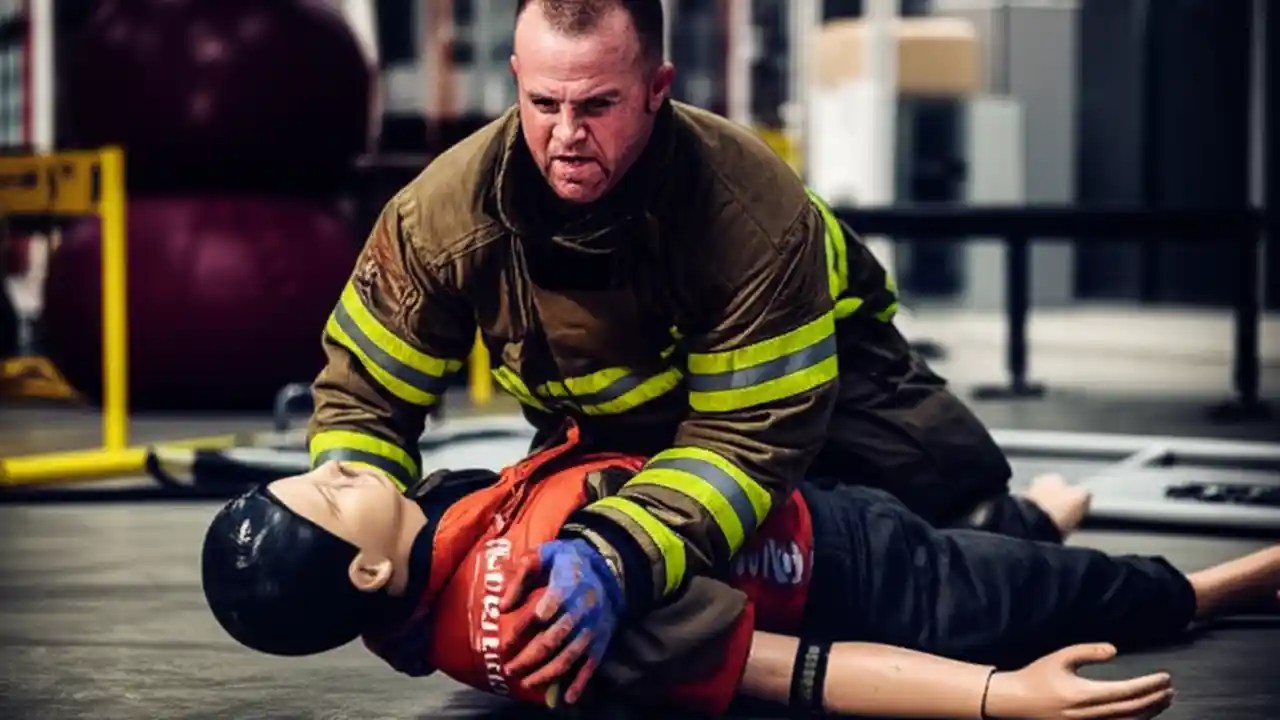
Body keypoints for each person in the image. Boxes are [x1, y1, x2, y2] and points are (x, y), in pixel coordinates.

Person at [305, 0, 1089, 695]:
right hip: (618, 430)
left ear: (657, 87)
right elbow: (365, 396)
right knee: (681, 588)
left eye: (599, 104)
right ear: (516, 78)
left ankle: (1032, 519)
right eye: (543, 103)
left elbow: (749, 439)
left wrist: (617, 549)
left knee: (923, 575)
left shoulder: (749, 210)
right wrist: (362, 550)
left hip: (820, 391)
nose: (567, 135)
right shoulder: (438, 219)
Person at [201, 422, 1278, 719]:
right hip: (864, 583)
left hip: (795, 503)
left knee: (993, 535)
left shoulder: (426, 535)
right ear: (367, 573)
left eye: (317, 471)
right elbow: (789, 668)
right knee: (1070, 591)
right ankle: (1237, 580)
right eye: (329, 494)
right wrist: (999, 695)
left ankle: (1039, 512)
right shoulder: (533, 614)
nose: (337, 464)